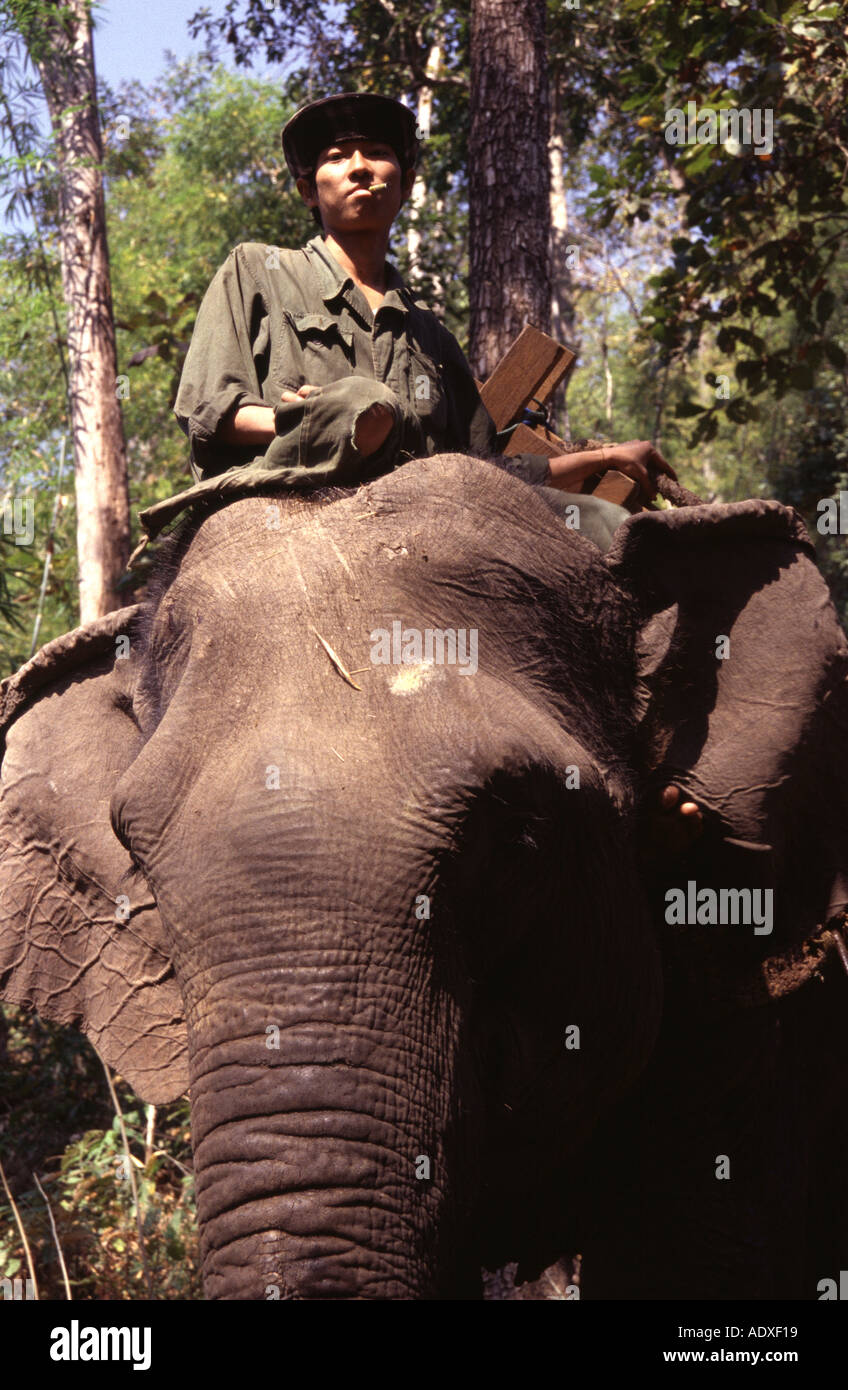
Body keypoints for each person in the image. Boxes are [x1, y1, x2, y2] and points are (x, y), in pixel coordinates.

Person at [168, 91, 677, 554]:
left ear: (405, 185)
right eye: (337, 158)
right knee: (363, 403)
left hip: (428, 519)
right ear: (308, 191)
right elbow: (209, 414)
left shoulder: (430, 335)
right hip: (294, 502)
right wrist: (305, 420)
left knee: (604, 521)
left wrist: (604, 457)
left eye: (377, 153)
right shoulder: (258, 270)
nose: (360, 168)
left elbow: (487, 468)